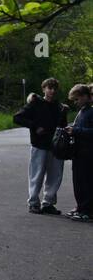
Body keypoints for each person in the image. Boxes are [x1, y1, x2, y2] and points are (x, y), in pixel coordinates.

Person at [13, 79, 67, 214]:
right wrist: (35, 126)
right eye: (49, 88)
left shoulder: (59, 107)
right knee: (37, 174)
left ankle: (48, 203)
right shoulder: (35, 103)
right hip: (39, 144)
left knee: (55, 176)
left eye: (54, 88)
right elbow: (17, 118)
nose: (52, 91)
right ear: (43, 89)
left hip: (55, 146)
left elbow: (63, 126)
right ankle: (33, 202)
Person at [64, 84, 93, 221]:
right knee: (78, 182)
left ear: (85, 97)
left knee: (87, 183)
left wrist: (75, 131)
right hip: (79, 153)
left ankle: (88, 211)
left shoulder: (91, 112)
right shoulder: (82, 112)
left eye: (77, 99)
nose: (75, 102)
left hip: (88, 154)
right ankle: (81, 207)